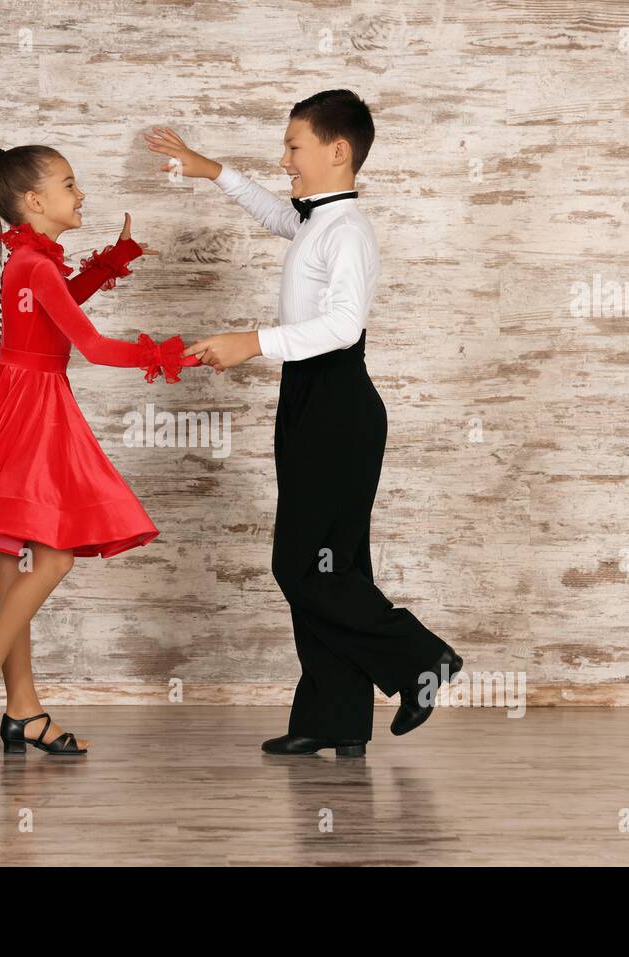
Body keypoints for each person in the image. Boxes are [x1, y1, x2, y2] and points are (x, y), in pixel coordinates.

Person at [145, 90, 463, 757]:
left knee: (303, 565)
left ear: (337, 151)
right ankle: (335, 717)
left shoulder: (347, 231)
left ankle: (421, 659)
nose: (285, 159)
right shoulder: (318, 221)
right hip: (310, 398)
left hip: (337, 405)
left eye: (294, 146)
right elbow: (274, 212)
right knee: (332, 562)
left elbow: (343, 326)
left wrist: (252, 342)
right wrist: (212, 170)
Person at [0, 144, 199, 759]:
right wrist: (171, 355)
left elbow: (56, 310)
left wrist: (109, 263)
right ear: (35, 201)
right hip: (31, 409)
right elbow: (92, 347)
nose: (81, 194)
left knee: (19, 562)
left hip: (20, 401)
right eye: (70, 183)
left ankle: (24, 709)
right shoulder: (34, 265)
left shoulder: (32, 263)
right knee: (51, 558)